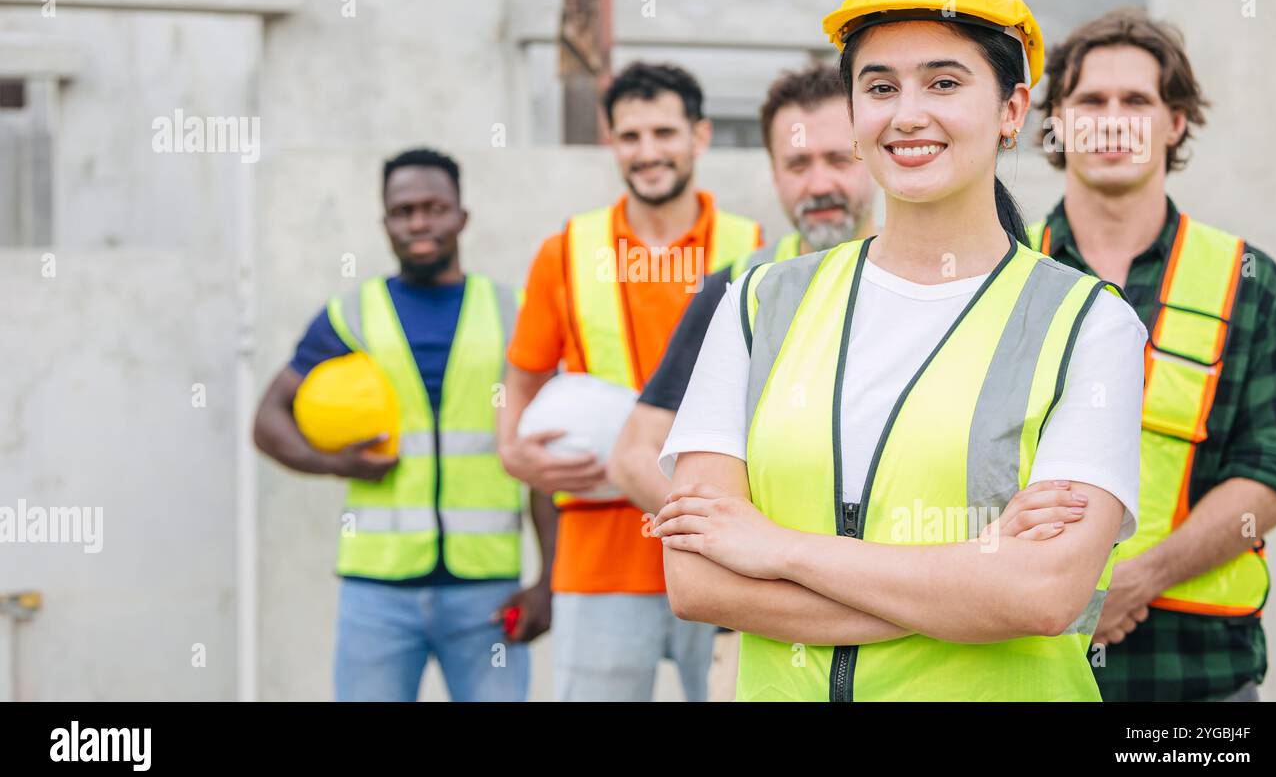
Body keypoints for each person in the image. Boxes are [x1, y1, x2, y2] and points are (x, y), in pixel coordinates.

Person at [653, 0, 1146, 701]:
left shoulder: (1089, 325)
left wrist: (773, 547)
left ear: (1013, 108)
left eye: (945, 83)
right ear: (852, 112)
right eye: (880, 86)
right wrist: (969, 584)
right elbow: (698, 579)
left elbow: (1044, 596)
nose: (907, 113)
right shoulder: (757, 303)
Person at [1026, 8, 1276, 702]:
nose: (1113, 119)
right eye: (1090, 101)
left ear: (1174, 122)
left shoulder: (1250, 281)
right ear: (1056, 121)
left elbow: (1275, 463)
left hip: (1196, 680)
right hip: (1018, 668)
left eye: (1137, 101)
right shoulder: (998, 270)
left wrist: (1136, 580)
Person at [497, 61, 761, 701]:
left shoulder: (751, 247)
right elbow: (521, 377)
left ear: (699, 137)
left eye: (664, 133)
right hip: (599, 559)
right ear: (610, 141)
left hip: (720, 551)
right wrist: (511, 448)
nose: (648, 153)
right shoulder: (566, 250)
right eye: (630, 136)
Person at [252, 148, 553, 702]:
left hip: (487, 591)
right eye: (403, 210)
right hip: (377, 594)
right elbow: (268, 419)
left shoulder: (515, 311)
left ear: (462, 215)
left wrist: (549, 582)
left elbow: (545, 459)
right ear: (385, 222)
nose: (419, 222)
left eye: (434, 207)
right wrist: (335, 463)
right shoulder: (352, 314)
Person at [609, 64, 877, 519]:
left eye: (838, 159)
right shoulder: (739, 286)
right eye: (797, 164)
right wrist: (735, 542)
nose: (819, 185)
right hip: (776, 586)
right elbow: (634, 455)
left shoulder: (938, 275)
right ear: (774, 174)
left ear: (874, 154)